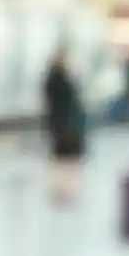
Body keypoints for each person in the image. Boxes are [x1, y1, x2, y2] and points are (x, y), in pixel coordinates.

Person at [44, 48, 84, 204]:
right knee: (68, 158)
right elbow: (71, 101)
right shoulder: (61, 79)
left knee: (60, 158)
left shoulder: (51, 78)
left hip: (58, 122)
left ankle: (61, 190)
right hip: (66, 123)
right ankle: (65, 190)